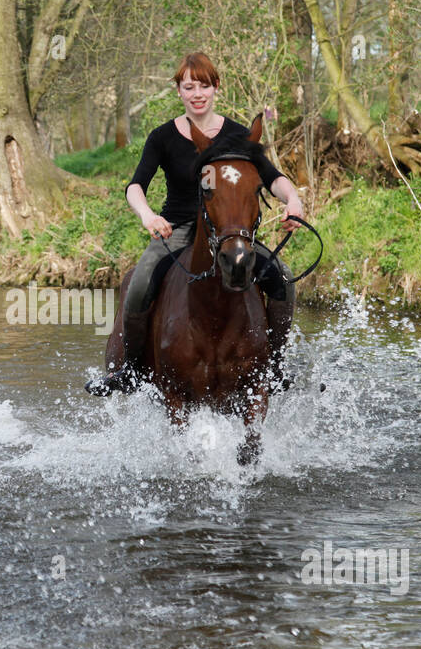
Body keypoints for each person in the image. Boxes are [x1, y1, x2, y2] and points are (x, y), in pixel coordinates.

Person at [86, 51, 306, 395]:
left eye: (204, 85)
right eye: (189, 87)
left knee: (284, 278)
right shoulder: (162, 137)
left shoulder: (237, 135)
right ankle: (129, 370)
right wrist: (148, 215)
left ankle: (274, 366)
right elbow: (135, 186)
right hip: (177, 230)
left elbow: (273, 177)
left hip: (231, 231)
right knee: (139, 282)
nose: (197, 93)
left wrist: (293, 201)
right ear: (179, 92)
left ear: (216, 87)